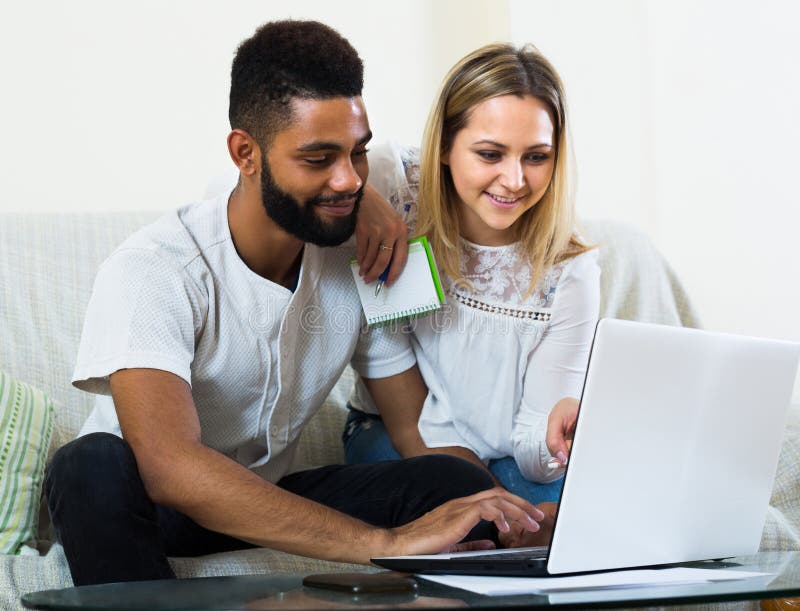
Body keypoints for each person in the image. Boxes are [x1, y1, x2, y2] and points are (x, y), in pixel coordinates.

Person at [44, 22, 545, 586]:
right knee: (86, 464)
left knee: (451, 486)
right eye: (319, 159)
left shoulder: (363, 251)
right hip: (148, 504)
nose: (349, 179)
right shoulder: (154, 268)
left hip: (264, 498)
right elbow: (169, 467)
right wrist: (384, 543)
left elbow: (412, 425)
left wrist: (508, 508)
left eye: (358, 154)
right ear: (245, 153)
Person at [343, 43, 600, 505]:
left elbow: (530, 449)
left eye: (536, 157)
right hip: (394, 430)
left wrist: (555, 438)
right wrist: (362, 199)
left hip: (507, 452)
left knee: (561, 508)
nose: (515, 180)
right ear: (443, 146)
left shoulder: (570, 271)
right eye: (490, 154)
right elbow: (247, 187)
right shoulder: (392, 185)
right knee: (448, 496)